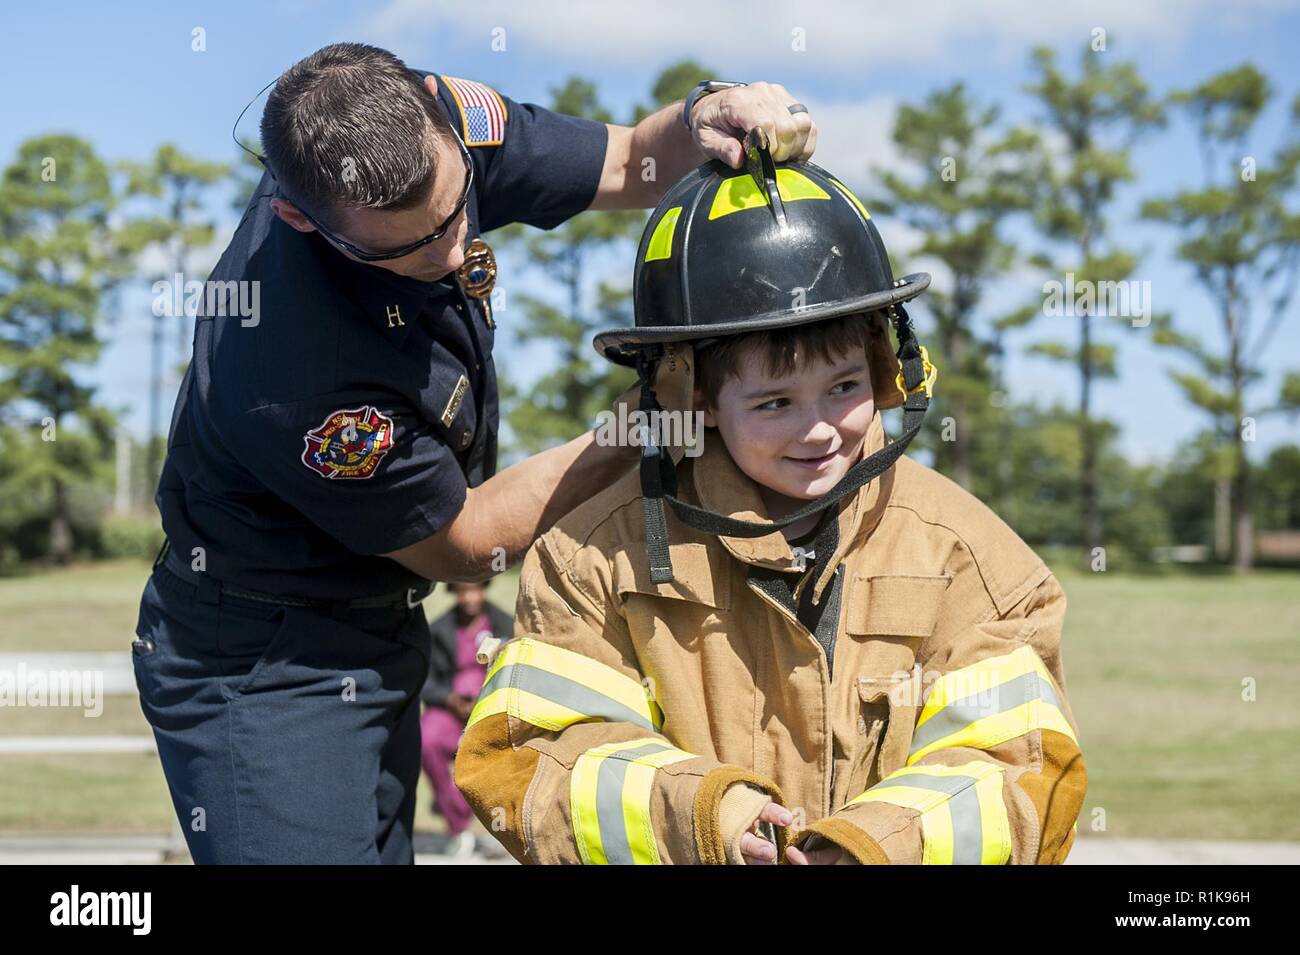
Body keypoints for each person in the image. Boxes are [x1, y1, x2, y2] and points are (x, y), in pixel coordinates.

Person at [131, 40, 820, 863]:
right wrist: (650, 417)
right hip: (268, 656)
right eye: (409, 250)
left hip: (378, 620)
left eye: (459, 211)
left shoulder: (440, 125)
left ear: (438, 110)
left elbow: (633, 159)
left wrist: (705, 114)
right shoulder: (293, 370)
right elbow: (461, 541)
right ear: (299, 217)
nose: (455, 252)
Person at [454, 135, 1087, 864]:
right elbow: (532, 762)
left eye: (845, 387)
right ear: (698, 398)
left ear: (885, 371)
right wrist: (706, 818)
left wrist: (870, 847)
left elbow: (1019, 770)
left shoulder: (971, 559)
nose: (819, 429)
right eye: (775, 401)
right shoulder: (590, 559)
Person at [418, 581, 511, 856]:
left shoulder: (504, 624)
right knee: (427, 740)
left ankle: (503, 829)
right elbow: (426, 680)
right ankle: (458, 824)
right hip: (450, 708)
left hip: (490, 709)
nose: (471, 597)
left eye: (476, 589)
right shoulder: (439, 629)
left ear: (485, 589)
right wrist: (450, 700)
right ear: (455, 593)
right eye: (464, 590)